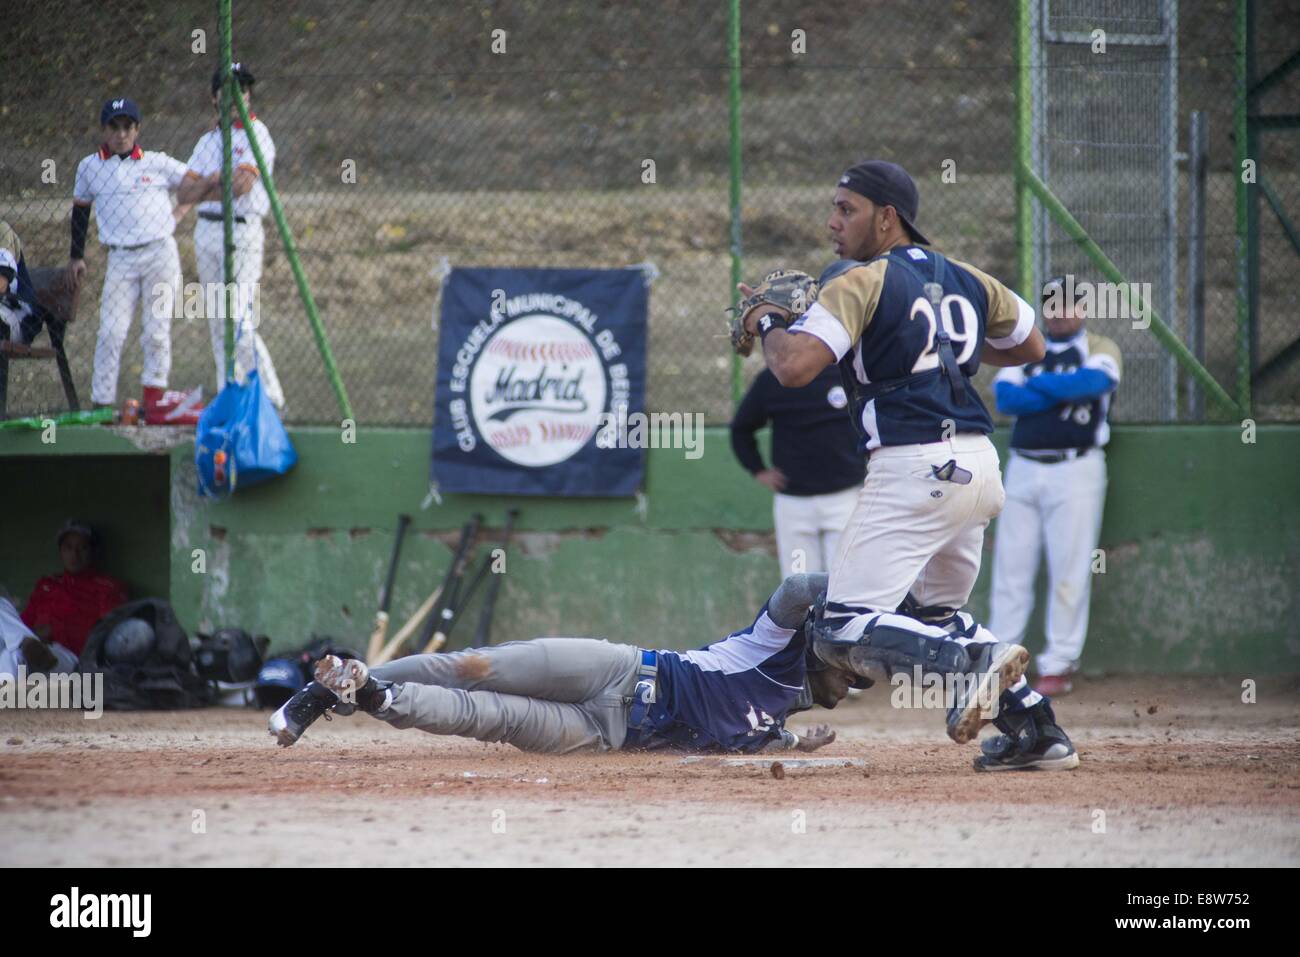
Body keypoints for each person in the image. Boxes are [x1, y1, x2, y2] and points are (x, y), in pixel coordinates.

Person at [735, 159, 1078, 771]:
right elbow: (1030, 345)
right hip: (978, 464)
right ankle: (1036, 730)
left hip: (914, 466)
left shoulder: (861, 281)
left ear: (888, 218)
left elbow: (791, 368)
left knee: (840, 627)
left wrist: (767, 319)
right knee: (931, 617)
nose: (832, 221)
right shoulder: (965, 276)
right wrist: (951, 353)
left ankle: (972, 665)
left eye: (847, 209)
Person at [270, 574, 853, 754]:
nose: (853, 680)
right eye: (852, 668)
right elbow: (799, 586)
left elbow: (759, 737)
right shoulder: (776, 647)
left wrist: (798, 745)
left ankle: (375, 695)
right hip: (619, 670)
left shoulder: (777, 721)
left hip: (605, 734)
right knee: (475, 668)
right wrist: (856, 597)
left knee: (486, 718)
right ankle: (322, 694)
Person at [988, 276, 1122, 696]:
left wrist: (1041, 384)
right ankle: (1000, 659)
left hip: (1075, 469)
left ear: (1083, 308)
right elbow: (1009, 399)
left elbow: (1094, 384)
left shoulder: (1100, 347)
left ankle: (1058, 663)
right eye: (1052, 305)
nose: (1060, 313)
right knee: (1012, 567)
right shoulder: (1026, 346)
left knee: (1069, 568)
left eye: (1069, 305)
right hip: (1024, 467)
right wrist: (1061, 391)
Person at [67, 97, 201, 424]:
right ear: (105, 129)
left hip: (159, 254)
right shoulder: (90, 167)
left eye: (128, 126)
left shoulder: (156, 162)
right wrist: (76, 256)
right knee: (111, 331)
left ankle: (154, 400)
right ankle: (100, 406)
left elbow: (194, 183)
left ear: (137, 129)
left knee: (156, 331)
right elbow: (81, 210)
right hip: (121, 259)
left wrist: (177, 213)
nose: (121, 133)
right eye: (114, 126)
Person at [177, 63, 285, 409]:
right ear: (215, 98)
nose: (237, 96)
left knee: (238, 317)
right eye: (229, 90)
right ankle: (230, 391)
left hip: (241, 231)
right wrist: (215, 182)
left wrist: (207, 182)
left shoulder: (258, 133)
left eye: (243, 89)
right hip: (206, 229)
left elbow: (242, 186)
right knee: (216, 319)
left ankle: (269, 394)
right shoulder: (207, 140)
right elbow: (184, 193)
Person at [731, 366, 864, 576]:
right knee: (797, 581)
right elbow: (741, 429)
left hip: (845, 498)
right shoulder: (772, 379)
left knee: (845, 580)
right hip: (794, 505)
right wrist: (757, 469)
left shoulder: (848, 372)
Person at [21, 520, 128, 660]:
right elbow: (23, 623)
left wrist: (54, 632)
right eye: (68, 548)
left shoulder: (107, 587)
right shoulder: (47, 585)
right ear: (61, 552)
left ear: (93, 552)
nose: (74, 555)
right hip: (32, 650)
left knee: (28, 657)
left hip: (74, 660)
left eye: (82, 548)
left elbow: (109, 634)